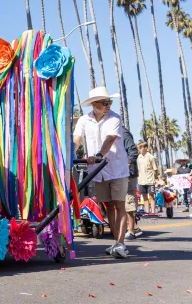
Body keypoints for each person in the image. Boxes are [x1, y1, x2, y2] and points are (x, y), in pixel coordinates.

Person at [74, 87, 130, 258]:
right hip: (97, 171)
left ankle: (120, 243)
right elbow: (77, 138)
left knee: (119, 204)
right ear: (94, 104)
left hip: (117, 168)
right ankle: (116, 242)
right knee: (108, 206)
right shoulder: (84, 120)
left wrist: (98, 155)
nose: (108, 105)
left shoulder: (114, 118)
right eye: (105, 103)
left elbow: (110, 138)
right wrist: (71, 153)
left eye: (109, 102)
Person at [122, 130, 141, 240]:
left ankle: (131, 230)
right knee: (120, 203)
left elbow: (133, 152)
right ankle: (126, 228)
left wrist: (126, 165)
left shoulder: (124, 133)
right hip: (117, 173)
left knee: (129, 201)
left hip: (128, 173)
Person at [136, 141, 159, 215]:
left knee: (151, 197)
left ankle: (153, 212)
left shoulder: (151, 157)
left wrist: (155, 178)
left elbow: (155, 169)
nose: (139, 149)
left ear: (145, 148)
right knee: (144, 197)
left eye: (141, 147)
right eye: (139, 148)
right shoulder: (138, 157)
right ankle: (147, 212)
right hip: (141, 181)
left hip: (150, 180)